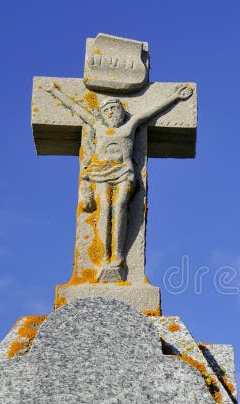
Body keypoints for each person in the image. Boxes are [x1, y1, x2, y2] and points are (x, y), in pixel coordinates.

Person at [42, 82, 193, 281]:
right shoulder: (98, 127)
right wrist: (53, 91)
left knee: (120, 205)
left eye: (115, 108)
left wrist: (175, 98)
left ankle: (119, 256)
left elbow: (149, 113)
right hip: (100, 172)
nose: (111, 112)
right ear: (103, 115)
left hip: (124, 172)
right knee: (104, 208)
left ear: (122, 112)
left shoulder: (130, 125)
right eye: (107, 110)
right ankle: (105, 257)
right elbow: (76, 109)